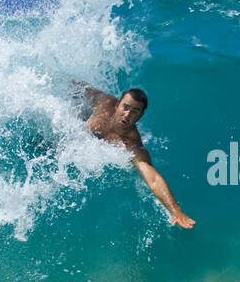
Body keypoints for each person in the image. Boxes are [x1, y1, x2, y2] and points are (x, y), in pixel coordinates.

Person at [73, 82, 196, 228]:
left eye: (135, 111)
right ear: (118, 104)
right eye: (125, 107)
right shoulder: (104, 102)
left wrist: (175, 210)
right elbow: (78, 89)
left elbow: (154, 179)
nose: (127, 115)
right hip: (71, 125)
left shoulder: (132, 144)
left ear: (141, 115)